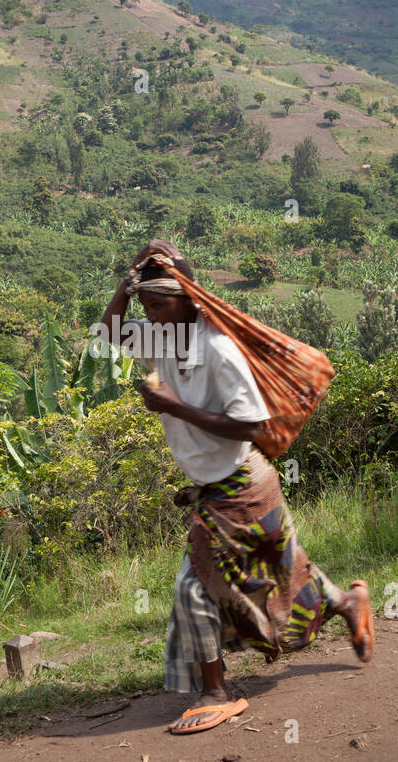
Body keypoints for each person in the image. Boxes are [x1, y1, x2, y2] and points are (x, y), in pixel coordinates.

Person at [100, 239, 374, 735]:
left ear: (187, 297)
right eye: (145, 305)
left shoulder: (218, 347)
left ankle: (216, 693)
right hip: (226, 484)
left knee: (194, 586)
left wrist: (174, 408)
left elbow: (251, 425)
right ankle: (346, 601)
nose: (150, 313)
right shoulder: (162, 337)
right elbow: (109, 332)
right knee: (287, 569)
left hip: (240, 483)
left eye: (158, 303)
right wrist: (128, 281)